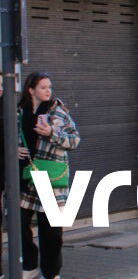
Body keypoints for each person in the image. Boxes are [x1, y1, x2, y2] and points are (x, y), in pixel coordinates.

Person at [17, 72, 80, 279]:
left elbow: (74, 141)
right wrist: (14, 149)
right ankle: (30, 264)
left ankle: (51, 273)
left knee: (51, 231)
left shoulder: (58, 112)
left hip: (50, 179)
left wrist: (51, 134)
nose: (48, 91)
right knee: (19, 225)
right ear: (31, 89)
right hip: (25, 176)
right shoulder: (18, 112)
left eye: (49, 87)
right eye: (43, 87)